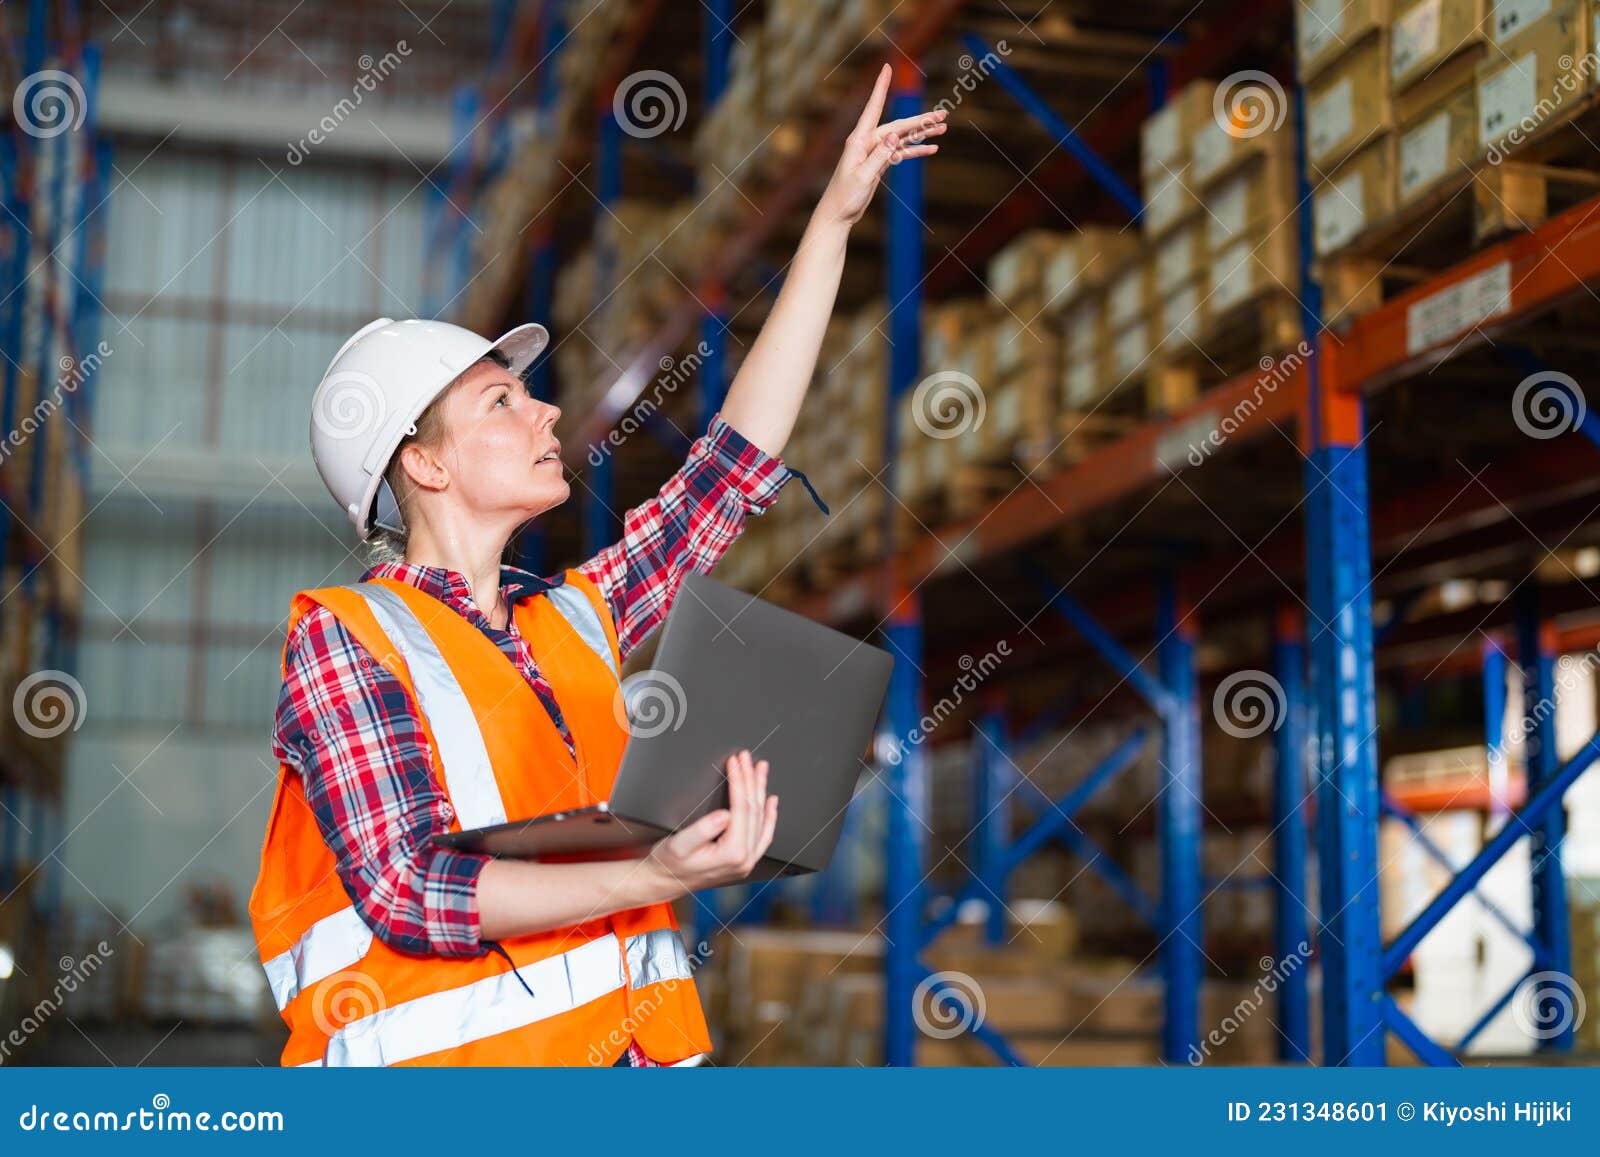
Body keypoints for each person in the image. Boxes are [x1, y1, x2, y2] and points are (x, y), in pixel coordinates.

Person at [249, 66, 946, 1068]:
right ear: (424, 463)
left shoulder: (572, 614)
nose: (542, 411)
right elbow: (412, 889)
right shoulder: (343, 637)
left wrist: (832, 226)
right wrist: (654, 870)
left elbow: (732, 464)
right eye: (501, 402)